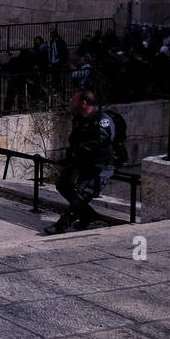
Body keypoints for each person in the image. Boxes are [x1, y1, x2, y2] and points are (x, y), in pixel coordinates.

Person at [44, 90, 116, 235]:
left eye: (74, 100)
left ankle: (61, 225)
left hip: (99, 165)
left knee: (82, 193)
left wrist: (81, 150)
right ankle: (89, 216)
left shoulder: (102, 119)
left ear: (84, 103)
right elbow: (74, 139)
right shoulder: (78, 118)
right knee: (63, 184)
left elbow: (102, 140)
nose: (72, 102)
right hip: (81, 161)